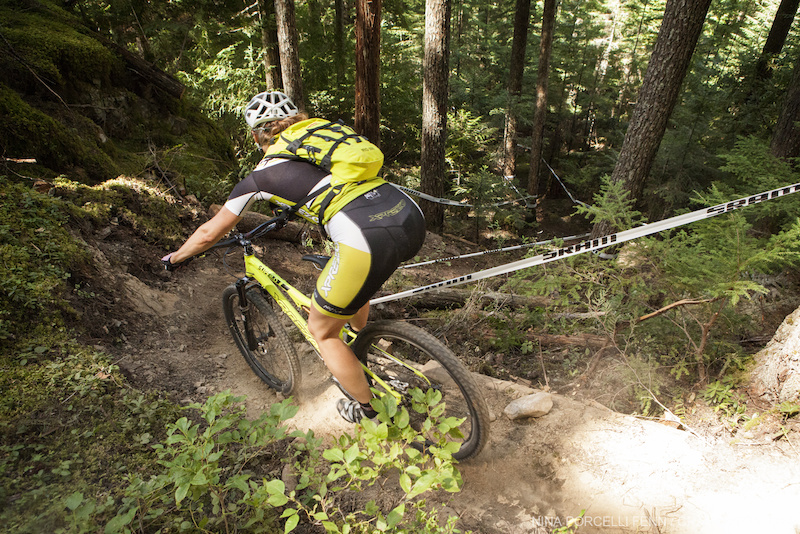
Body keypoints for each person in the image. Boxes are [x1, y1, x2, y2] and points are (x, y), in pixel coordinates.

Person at [162, 91, 426, 423]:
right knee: (353, 287)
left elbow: (208, 234)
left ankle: (370, 411)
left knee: (323, 330)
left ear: (258, 136)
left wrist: (176, 258)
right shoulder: (319, 144)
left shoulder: (259, 176)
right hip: (407, 215)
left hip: (364, 236)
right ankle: (362, 343)